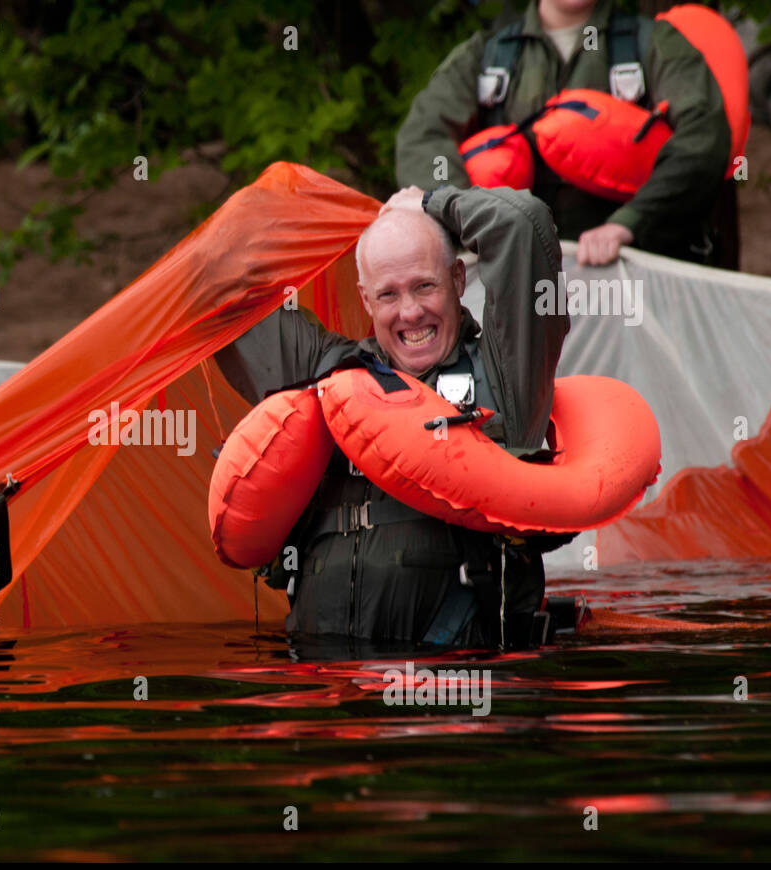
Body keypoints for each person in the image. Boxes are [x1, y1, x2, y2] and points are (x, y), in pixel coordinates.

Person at [215, 184, 567, 649]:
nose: (410, 312)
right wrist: (323, 208)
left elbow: (525, 225)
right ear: (365, 300)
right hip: (328, 691)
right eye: (388, 294)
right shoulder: (327, 370)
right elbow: (221, 274)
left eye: (425, 286)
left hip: (460, 686)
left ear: (459, 280)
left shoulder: (507, 373)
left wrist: (428, 204)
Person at [396, 0, 735, 268]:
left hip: (632, 276)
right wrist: (467, 216)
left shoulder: (654, 43)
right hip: (515, 283)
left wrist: (630, 223)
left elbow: (704, 137)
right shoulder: (486, 55)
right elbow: (423, 137)